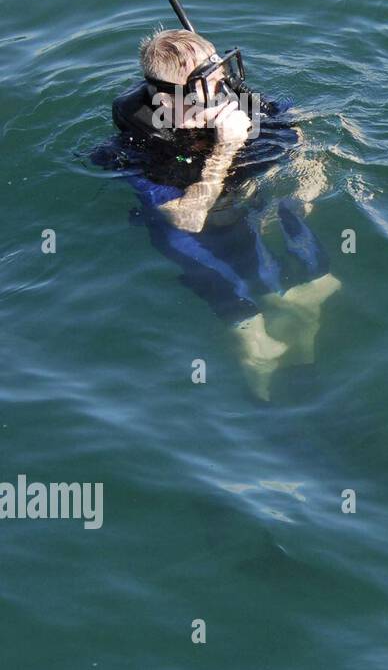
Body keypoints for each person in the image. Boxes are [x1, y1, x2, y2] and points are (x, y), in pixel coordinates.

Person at [95, 28, 339, 400]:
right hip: (193, 231)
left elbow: (300, 136)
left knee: (309, 287)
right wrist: (226, 149)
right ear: (167, 97)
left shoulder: (235, 102)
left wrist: (304, 188)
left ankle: (305, 344)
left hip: (245, 207)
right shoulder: (142, 146)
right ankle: (263, 377)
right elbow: (186, 219)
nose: (223, 90)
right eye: (209, 84)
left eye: (221, 77)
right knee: (248, 317)